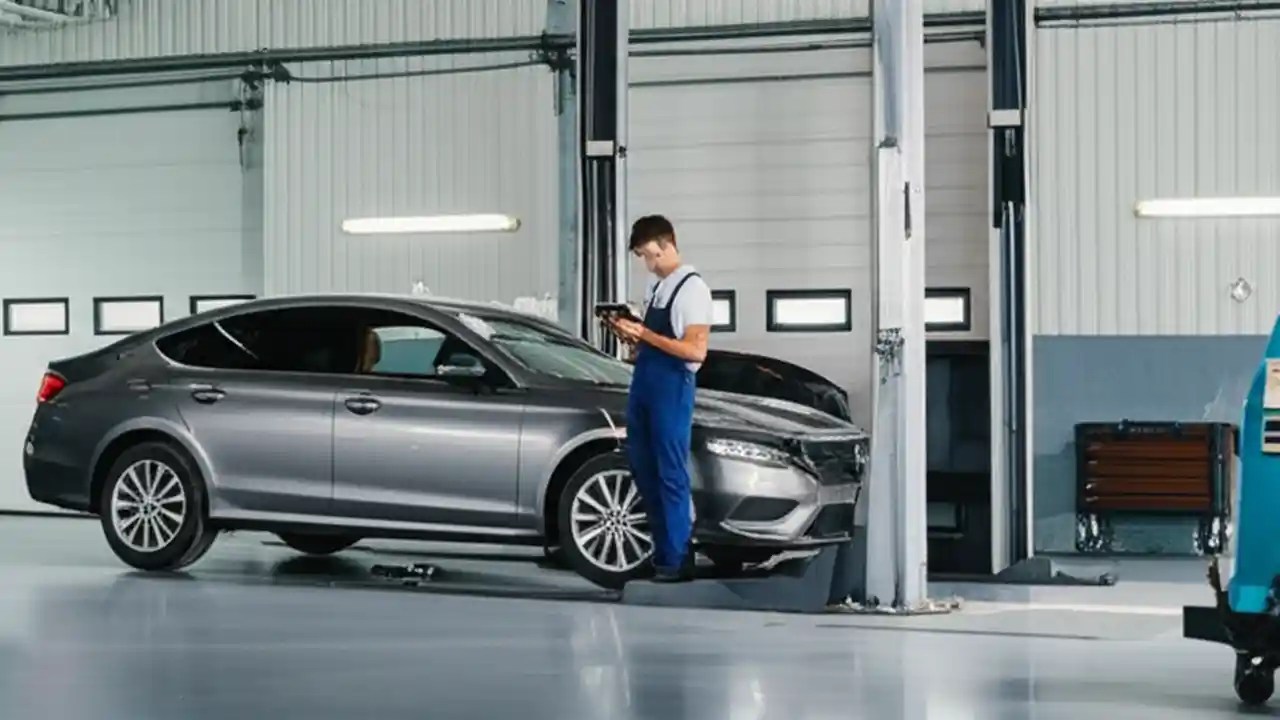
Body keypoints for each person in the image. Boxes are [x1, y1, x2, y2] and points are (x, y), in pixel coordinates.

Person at [607, 215, 713, 582]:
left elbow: (696, 351)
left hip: (672, 389)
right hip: (645, 384)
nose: (647, 264)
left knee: (670, 471)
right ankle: (661, 550)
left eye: (649, 255)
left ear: (666, 245)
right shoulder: (657, 289)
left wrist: (646, 336)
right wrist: (632, 340)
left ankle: (678, 555)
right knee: (642, 465)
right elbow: (651, 348)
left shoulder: (691, 289)